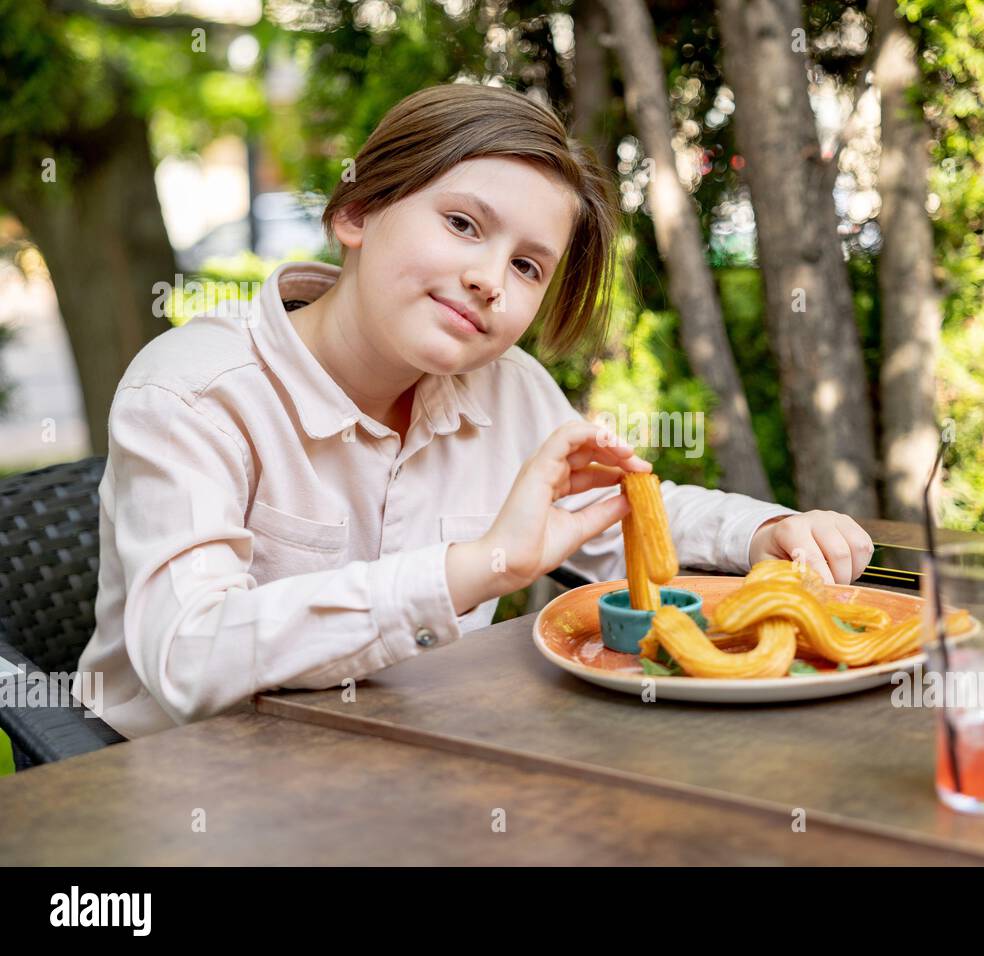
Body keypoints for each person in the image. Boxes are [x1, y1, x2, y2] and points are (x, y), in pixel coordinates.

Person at [75, 84, 874, 739]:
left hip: (408, 765)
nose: (492, 279)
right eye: (462, 224)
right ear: (357, 213)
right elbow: (189, 659)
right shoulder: (192, 391)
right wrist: (481, 565)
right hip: (186, 797)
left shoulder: (510, 387)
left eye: (528, 265)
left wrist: (763, 533)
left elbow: (615, 509)